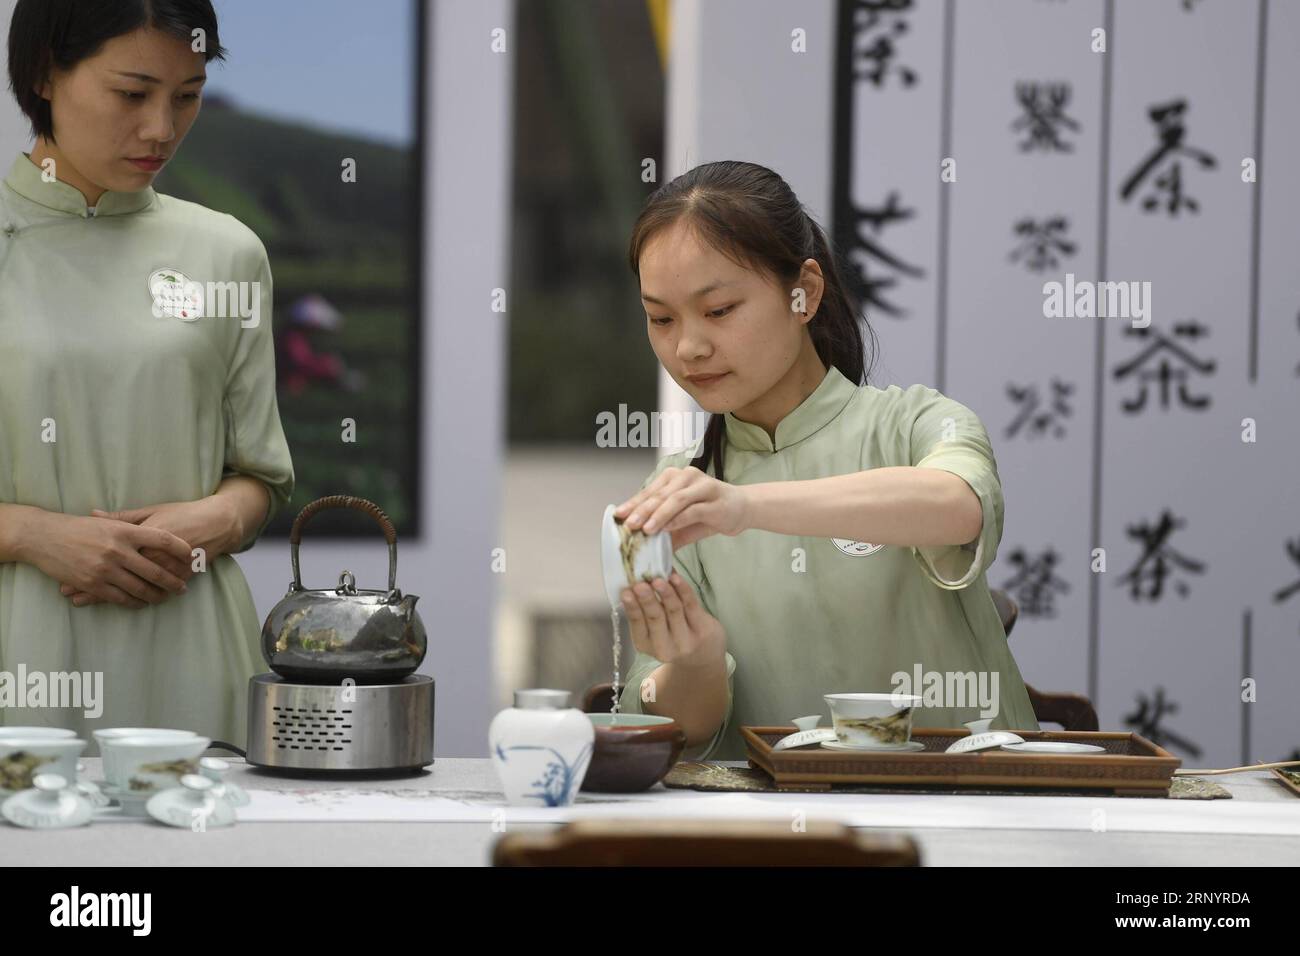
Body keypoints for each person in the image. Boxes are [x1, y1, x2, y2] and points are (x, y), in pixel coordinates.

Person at [613, 161, 1039, 760]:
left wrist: (744, 506)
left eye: (718, 311)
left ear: (804, 293)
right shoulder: (676, 491)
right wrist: (695, 659)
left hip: (970, 820)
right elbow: (679, 731)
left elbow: (959, 506)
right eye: (661, 319)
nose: (688, 347)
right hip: (777, 835)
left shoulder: (916, 423)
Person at [0, 0, 294, 745]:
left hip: (190, 651)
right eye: (132, 94)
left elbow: (259, 476)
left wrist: (218, 519)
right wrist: (30, 534)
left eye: (187, 96)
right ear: (43, 74)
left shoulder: (228, 253)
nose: (161, 128)